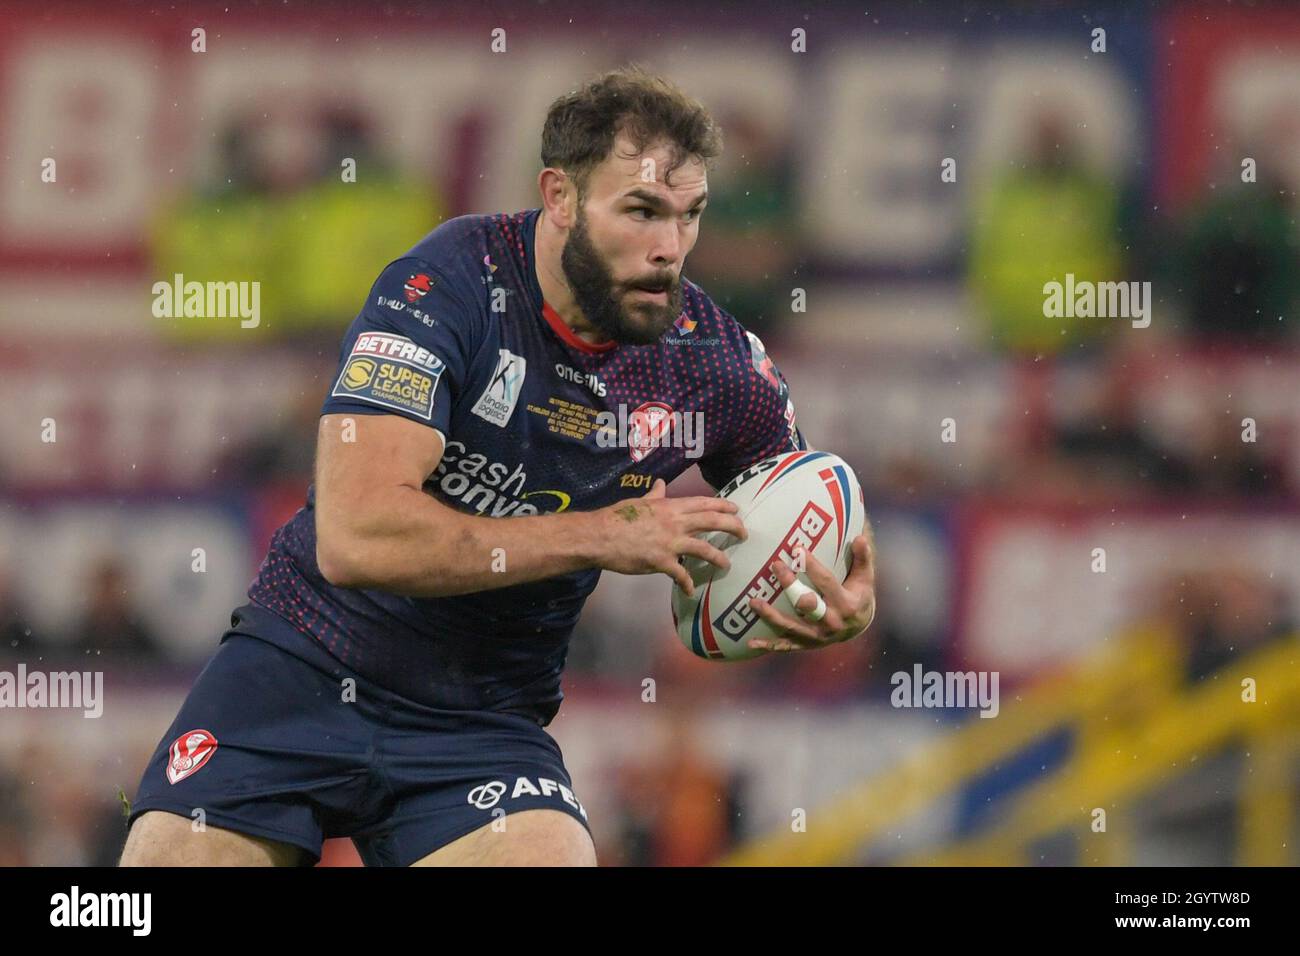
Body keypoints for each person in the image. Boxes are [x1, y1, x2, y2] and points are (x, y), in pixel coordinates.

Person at [120, 65, 877, 868]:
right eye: (642, 212)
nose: (669, 250)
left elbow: (800, 521)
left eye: (690, 216)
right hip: (302, 667)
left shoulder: (716, 364)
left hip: (480, 726)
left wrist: (844, 603)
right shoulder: (442, 286)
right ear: (560, 196)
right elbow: (356, 538)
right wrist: (598, 535)